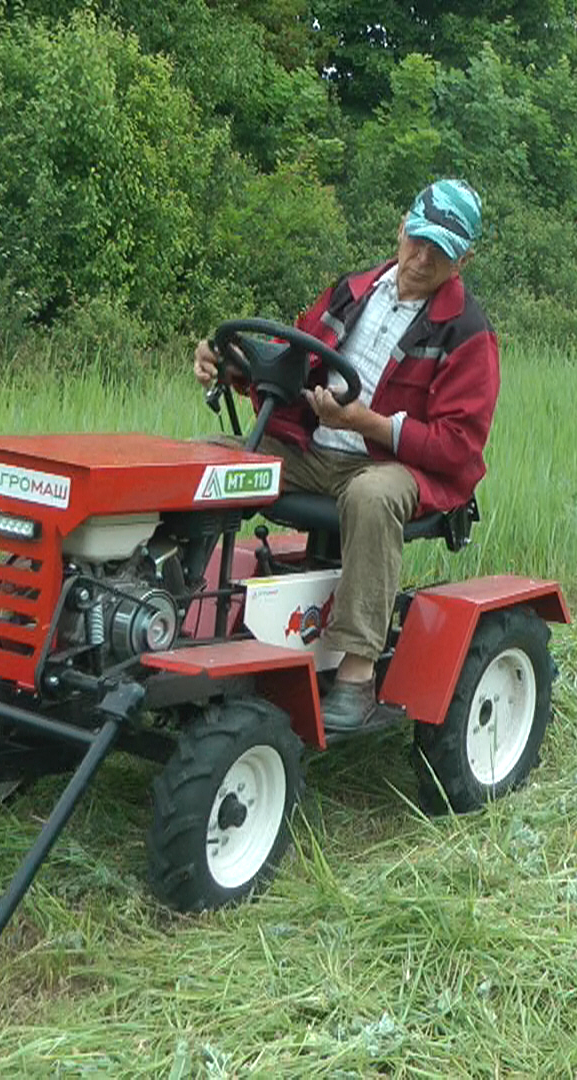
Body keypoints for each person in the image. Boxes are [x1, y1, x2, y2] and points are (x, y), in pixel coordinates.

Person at [192, 179, 499, 733]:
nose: (422, 257)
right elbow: (292, 362)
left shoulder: (469, 334)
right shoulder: (351, 291)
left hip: (393, 468)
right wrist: (232, 364)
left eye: (442, 251)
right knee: (207, 462)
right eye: (419, 240)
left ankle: (356, 677)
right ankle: (183, 613)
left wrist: (369, 424)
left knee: (370, 495)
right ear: (402, 227)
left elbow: (458, 446)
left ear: (464, 260)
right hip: (315, 448)